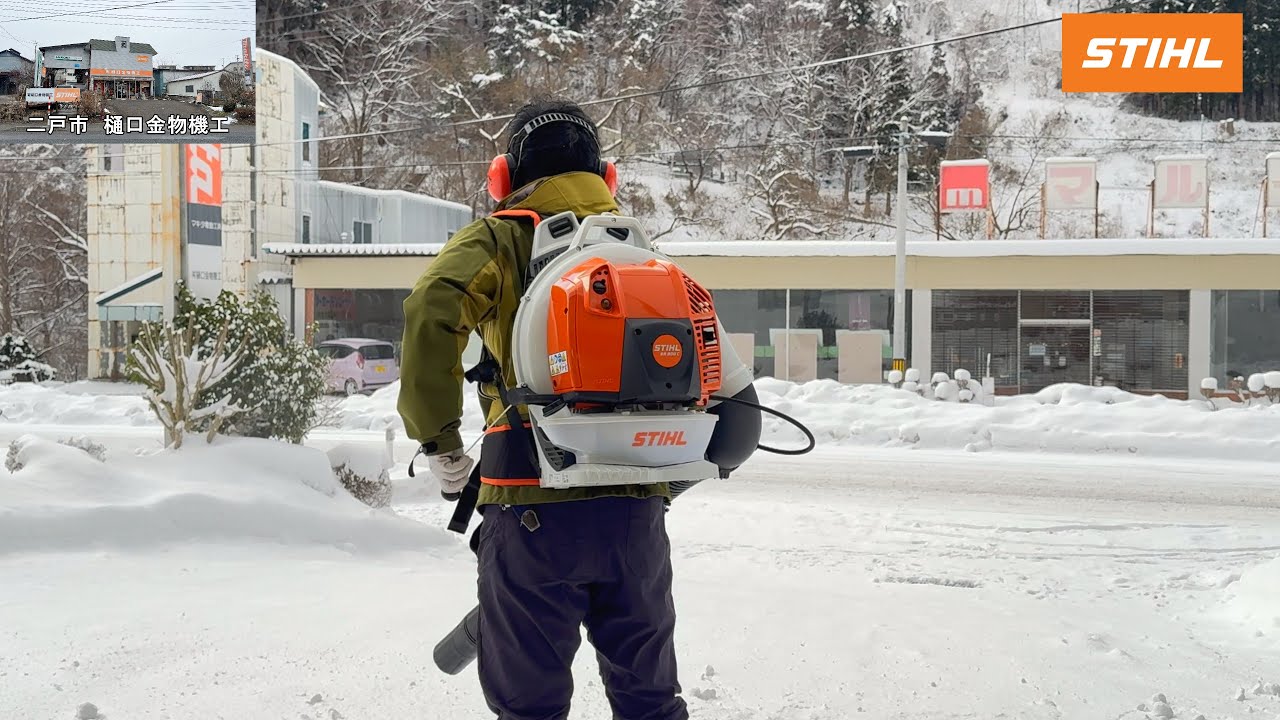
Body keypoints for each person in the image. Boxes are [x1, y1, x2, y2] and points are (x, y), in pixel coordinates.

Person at [397, 100, 689, 720]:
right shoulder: (638, 250)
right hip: (636, 508)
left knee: (530, 705)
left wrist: (440, 441)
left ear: (503, 177)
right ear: (605, 177)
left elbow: (431, 307)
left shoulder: (500, 238)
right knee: (650, 700)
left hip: (529, 499)